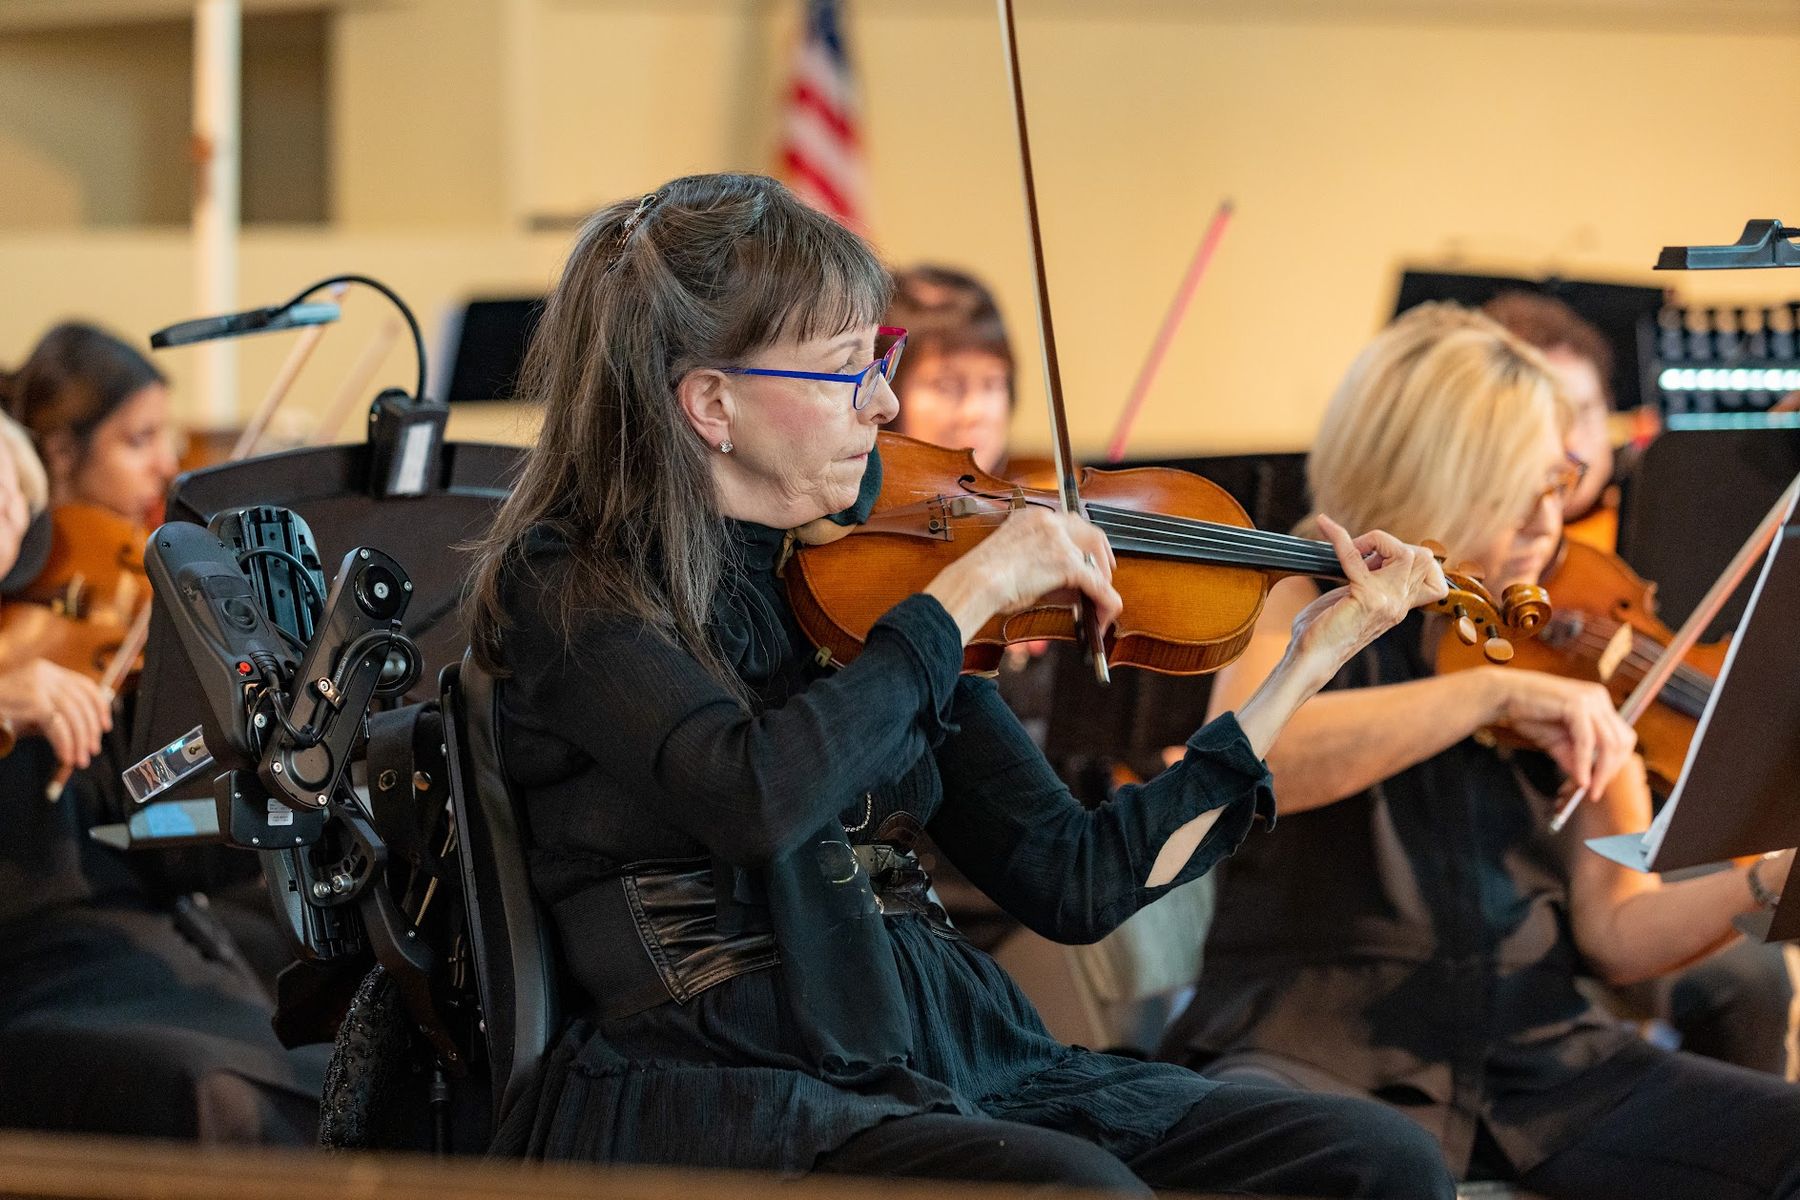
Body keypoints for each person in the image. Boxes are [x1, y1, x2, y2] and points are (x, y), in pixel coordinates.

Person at [470, 172, 1457, 1195]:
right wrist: (971, 589)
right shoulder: (574, 586)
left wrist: (1303, 667)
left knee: (1377, 1162)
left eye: (880, 358)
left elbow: (1076, 881)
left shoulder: (858, 581)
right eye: (849, 368)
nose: (888, 402)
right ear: (713, 402)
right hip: (728, 1078)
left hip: (945, 1049)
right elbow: (754, 795)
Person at [1160, 302, 1800, 1199]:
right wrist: (1486, 694)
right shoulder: (1301, 592)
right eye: (1525, 488)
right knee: (1350, 1160)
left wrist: (1770, 877)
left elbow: (1617, 927)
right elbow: (1249, 764)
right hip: (1315, 1039)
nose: (1556, 515)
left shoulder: (1563, 639)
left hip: (1544, 1061)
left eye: (1562, 481)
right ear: (1435, 476)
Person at [0, 325, 326, 1143]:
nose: (10, 517)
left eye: (14, 495)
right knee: (212, 1088)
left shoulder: (64, 635)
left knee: (346, 1061)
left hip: (141, 936)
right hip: (34, 964)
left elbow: (148, 824)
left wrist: (235, 770)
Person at [1484, 289, 1795, 1076]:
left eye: (1584, 415)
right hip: (1508, 849)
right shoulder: (1483, 557)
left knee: (1753, 977)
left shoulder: (1668, 519)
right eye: (1541, 421)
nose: (1570, 451)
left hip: (1630, 823)